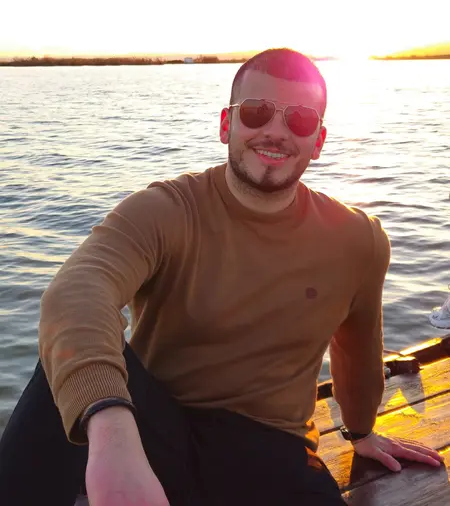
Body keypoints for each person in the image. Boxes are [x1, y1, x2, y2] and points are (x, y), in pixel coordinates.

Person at [0, 48, 443, 506]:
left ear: (319, 141)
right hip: (156, 432)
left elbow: (356, 351)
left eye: (300, 120)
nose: (276, 131)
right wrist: (113, 431)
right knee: (64, 361)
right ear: (226, 124)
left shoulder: (358, 239)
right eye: (256, 112)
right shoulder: (166, 210)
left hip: (271, 449)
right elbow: (77, 292)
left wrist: (362, 432)